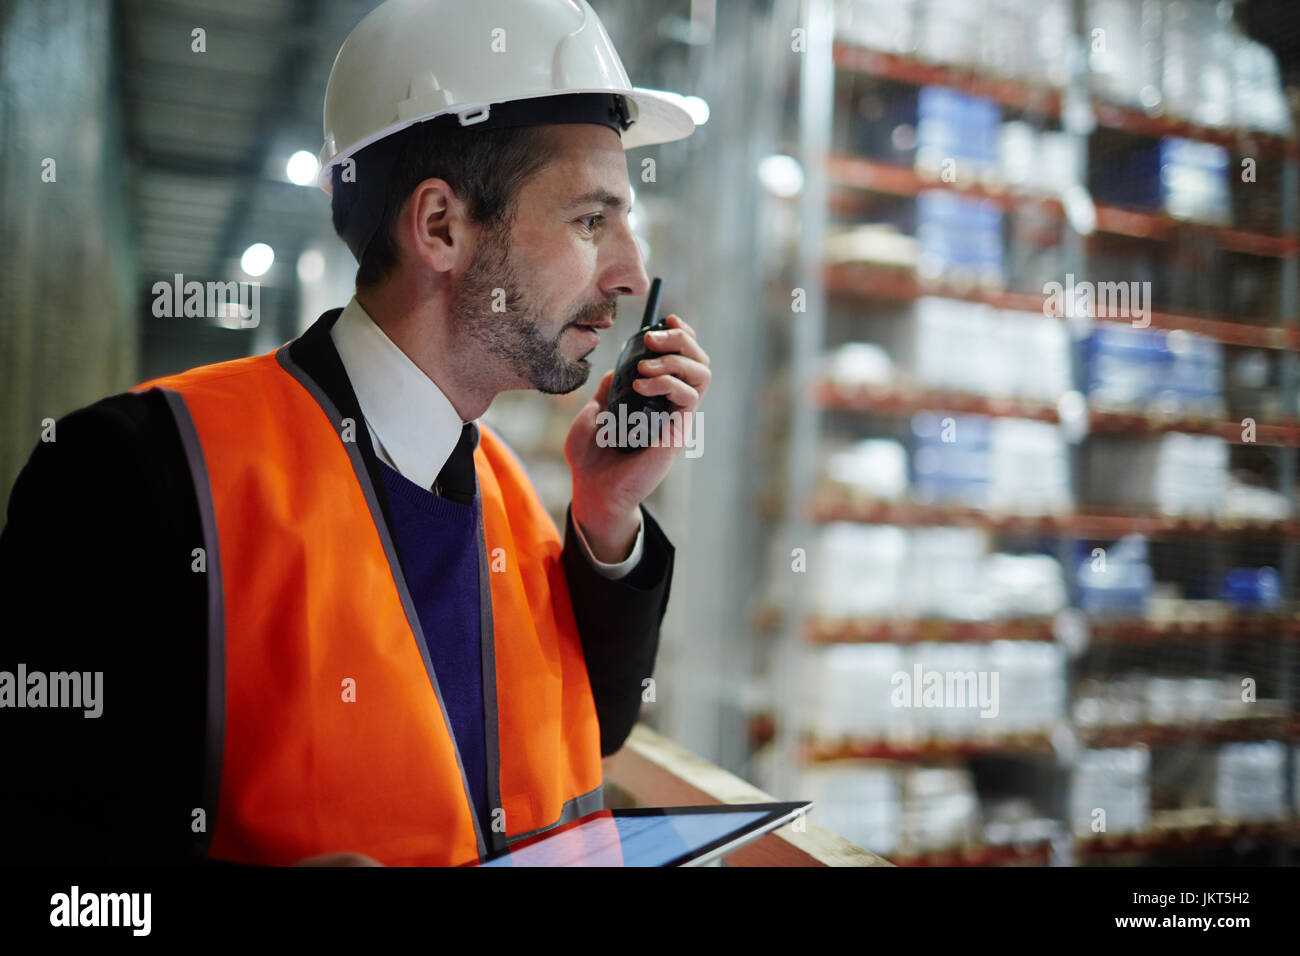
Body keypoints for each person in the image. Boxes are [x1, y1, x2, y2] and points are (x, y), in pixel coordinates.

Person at [0, 0, 708, 866]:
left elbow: (585, 730)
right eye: (592, 221)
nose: (632, 273)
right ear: (440, 226)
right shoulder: (141, 474)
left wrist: (608, 513)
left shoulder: (505, 491)